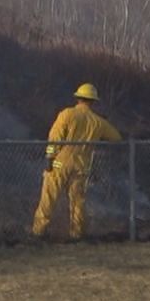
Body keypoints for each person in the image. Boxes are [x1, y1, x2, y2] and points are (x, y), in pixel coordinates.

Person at [32, 83, 123, 240]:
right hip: (82, 166)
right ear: (93, 101)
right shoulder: (98, 122)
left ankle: (38, 232)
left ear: (78, 98)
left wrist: (49, 157)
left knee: (49, 198)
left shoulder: (67, 114)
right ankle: (76, 235)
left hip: (60, 163)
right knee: (78, 201)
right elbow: (117, 138)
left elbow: (55, 137)